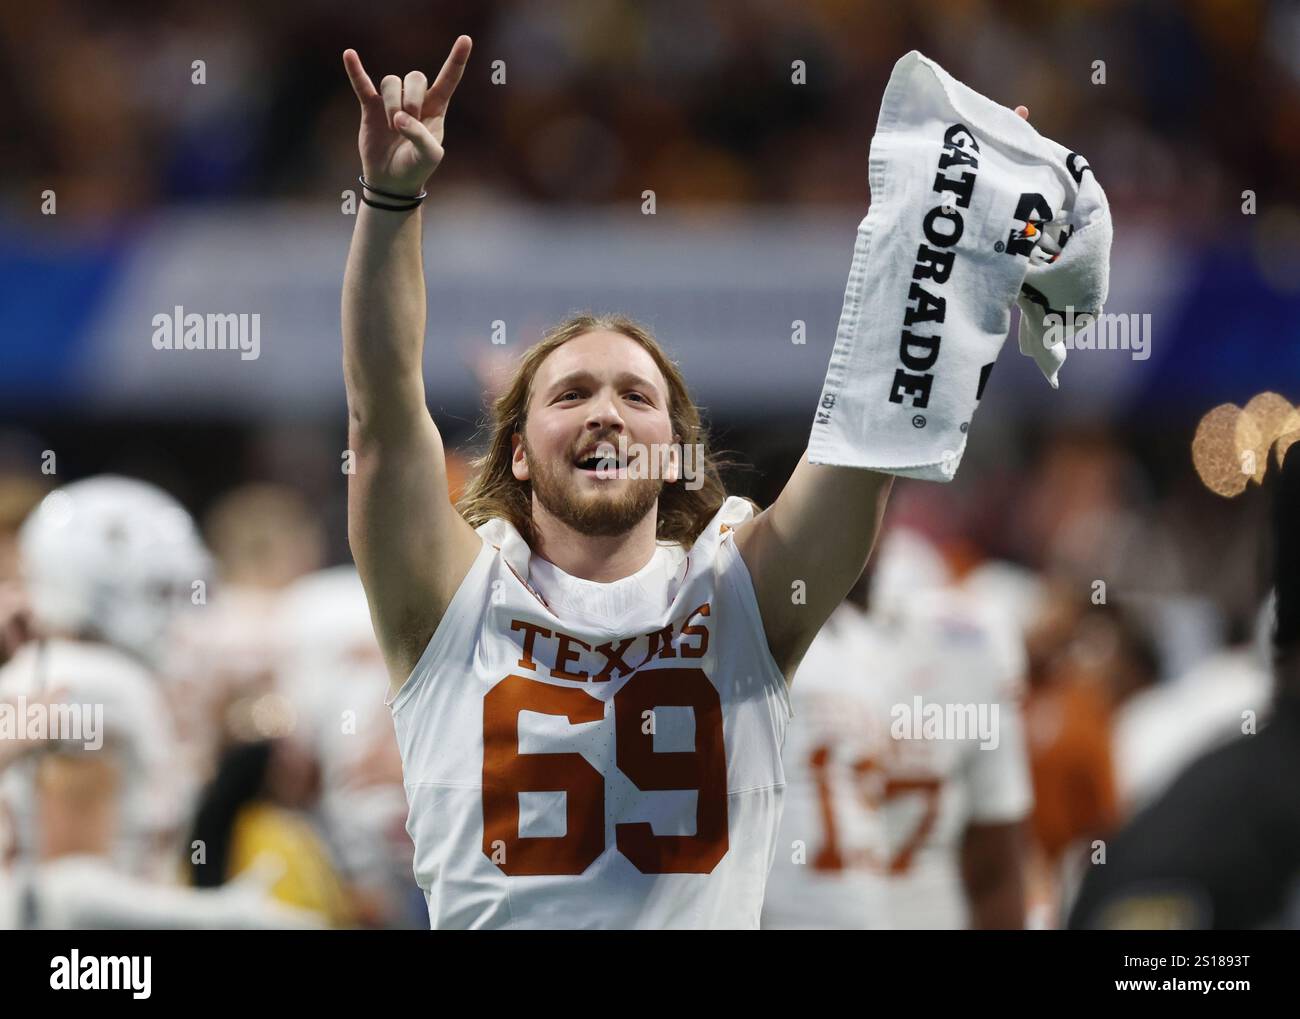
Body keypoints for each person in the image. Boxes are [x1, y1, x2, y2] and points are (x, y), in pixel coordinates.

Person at [339, 36, 1028, 929]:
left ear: (675, 448)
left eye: (636, 395)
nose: (605, 414)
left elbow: (865, 447)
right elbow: (384, 418)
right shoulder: (450, 600)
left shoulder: (737, 596)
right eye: (571, 393)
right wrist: (392, 201)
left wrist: (946, 241)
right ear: (514, 451)